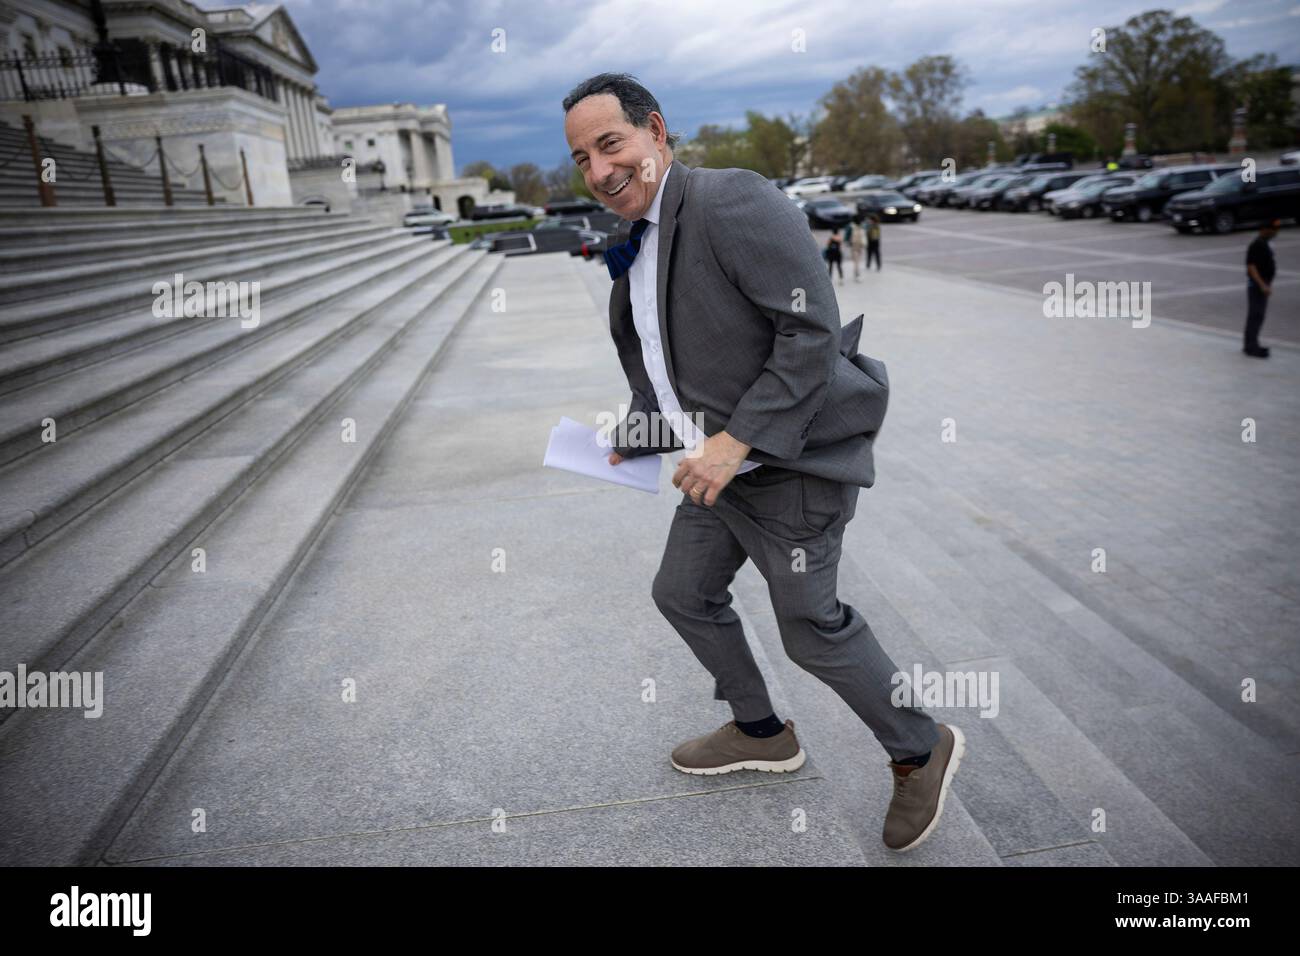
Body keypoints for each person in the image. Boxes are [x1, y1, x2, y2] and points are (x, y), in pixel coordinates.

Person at [565, 72, 962, 853]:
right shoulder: (638, 247)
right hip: (722, 471)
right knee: (682, 592)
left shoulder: (726, 199)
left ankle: (920, 747)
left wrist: (735, 442)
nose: (599, 169)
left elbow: (809, 328)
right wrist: (632, 435)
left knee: (811, 628)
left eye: (610, 144)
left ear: (656, 131)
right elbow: (671, 370)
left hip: (792, 465)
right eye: (581, 158)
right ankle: (760, 731)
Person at [1244, 218, 1280, 358]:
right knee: (1255, 315)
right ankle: (1251, 347)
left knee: (1258, 315)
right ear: (1264, 229)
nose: (1275, 232)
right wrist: (1262, 285)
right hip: (1257, 285)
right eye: (1273, 229)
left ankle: (1252, 344)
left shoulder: (1265, 243)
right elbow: (1251, 267)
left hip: (1262, 284)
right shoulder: (1257, 244)